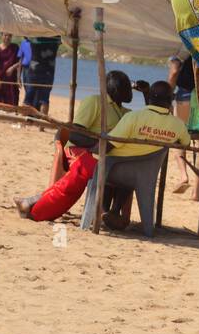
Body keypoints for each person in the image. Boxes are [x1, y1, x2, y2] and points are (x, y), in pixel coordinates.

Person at [14, 71, 146, 222]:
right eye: (127, 88)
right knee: (83, 171)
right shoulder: (95, 102)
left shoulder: (125, 113)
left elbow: (149, 116)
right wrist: (100, 146)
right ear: (116, 90)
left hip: (103, 155)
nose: (131, 92)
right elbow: (75, 135)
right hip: (80, 150)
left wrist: (147, 94)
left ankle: (32, 201)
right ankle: (38, 210)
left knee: (126, 170)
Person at [166, 52, 199, 198]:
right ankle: (198, 190)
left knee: (178, 137)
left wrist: (167, 95)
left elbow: (173, 73)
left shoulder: (181, 54)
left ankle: (183, 176)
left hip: (185, 97)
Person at [24, 35, 62, 113]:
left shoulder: (35, 33)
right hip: (48, 72)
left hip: (35, 69)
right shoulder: (56, 37)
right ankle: (42, 121)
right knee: (44, 98)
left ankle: (24, 121)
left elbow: (26, 36)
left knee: (29, 96)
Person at [0, 33, 22, 106]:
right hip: (0, 76)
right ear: (2, 36)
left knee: (12, 99)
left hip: (11, 78)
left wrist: (12, 68)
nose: (7, 37)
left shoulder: (15, 47)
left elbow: (20, 62)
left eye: (9, 36)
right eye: (5, 35)